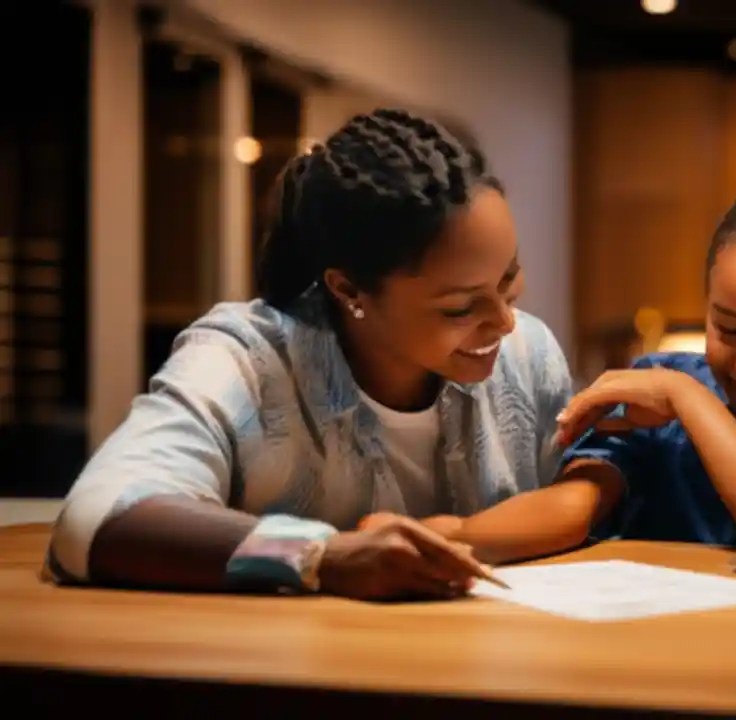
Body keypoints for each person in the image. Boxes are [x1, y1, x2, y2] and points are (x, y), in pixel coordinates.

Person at [43, 109, 573, 600]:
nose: (504, 321)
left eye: (508, 279)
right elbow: (95, 520)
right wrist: (325, 555)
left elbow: (588, 500)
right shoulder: (247, 361)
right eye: (461, 307)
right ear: (348, 290)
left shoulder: (526, 355)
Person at [403, 180, 736, 563]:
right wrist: (449, 536)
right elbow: (574, 503)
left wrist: (685, 397)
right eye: (729, 329)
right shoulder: (657, 381)